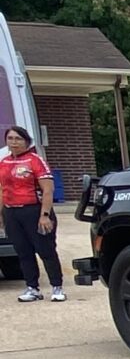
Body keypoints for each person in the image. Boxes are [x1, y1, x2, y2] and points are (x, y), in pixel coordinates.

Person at [2, 126, 65, 302]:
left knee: (45, 249)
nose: (14, 142)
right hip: (12, 212)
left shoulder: (35, 160)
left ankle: (57, 286)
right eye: (10, 138)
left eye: (18, 139)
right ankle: (32, 287)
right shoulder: (4, 162)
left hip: (34, 210)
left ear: (26, 141)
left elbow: (48, 189)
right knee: (23, 251)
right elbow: (3, 189)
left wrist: (44, 215)